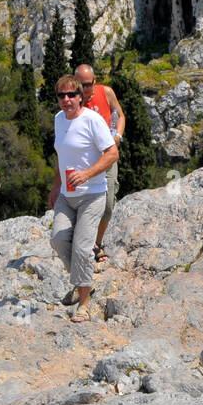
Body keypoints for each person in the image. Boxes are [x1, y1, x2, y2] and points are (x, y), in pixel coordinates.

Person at [48, 74, 117, 323]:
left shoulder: (92, 120)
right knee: (58, 239)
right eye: (61, 95)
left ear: (80, 97)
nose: (66, 100)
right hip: (67, 195)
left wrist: (87, 174)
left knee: (82, 247)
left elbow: (112, 153)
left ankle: (84, 303)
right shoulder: (58, 120)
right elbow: (61, 156)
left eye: (71, 95)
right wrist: (56, 187)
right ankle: (82, 283)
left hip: (92, 194)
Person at [76, 63, 126, 267]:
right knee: (84, 202)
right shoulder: (73, 101)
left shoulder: (106, 92)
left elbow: (120, 115)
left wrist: (118, 136)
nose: (84, 89)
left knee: (108, 203)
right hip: (85, 159)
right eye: (80, 84)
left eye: (87, 85)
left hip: (106, 155)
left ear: (94, 82)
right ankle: (85, 243)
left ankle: (97, 243)